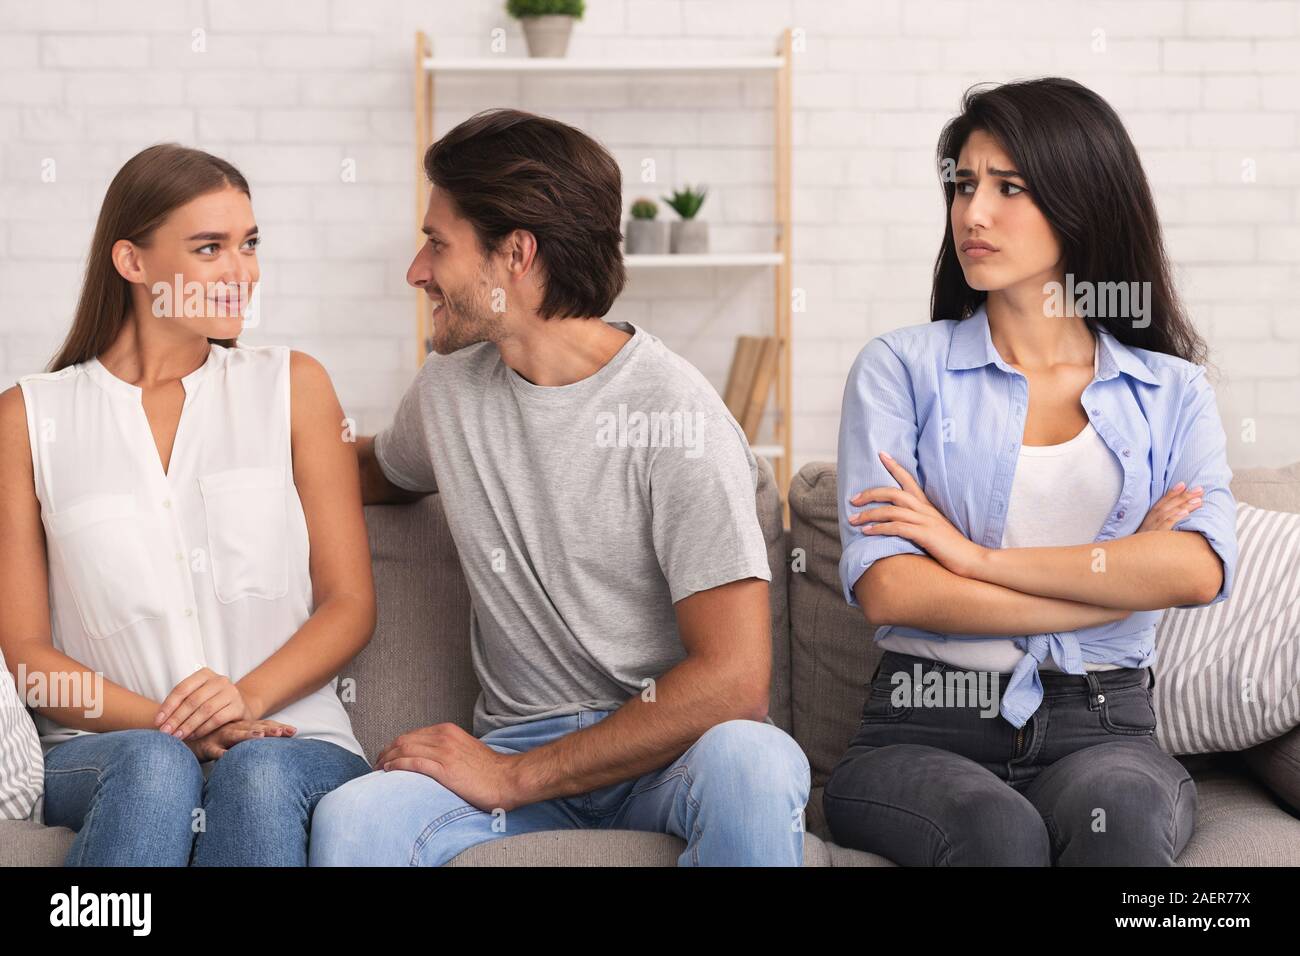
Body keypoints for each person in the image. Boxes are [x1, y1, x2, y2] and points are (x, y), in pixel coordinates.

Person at [309, 109, 810, 867]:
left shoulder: (676, 417)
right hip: (516, 734)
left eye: (437, 243)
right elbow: (368, 471)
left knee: (756, 763)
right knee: (354, 821)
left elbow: (734, 682)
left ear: (515, 254)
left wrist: (513, 776)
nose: (416, 270)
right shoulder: (450, 388)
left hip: (669, 751)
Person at [824, 78, 1238, 866]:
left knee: (1118, 813)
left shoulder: (1172, 390)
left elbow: (1193, 568)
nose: (973, 213)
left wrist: (973, 558)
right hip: (926, 723)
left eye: (1009, 187)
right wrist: (1113, 584)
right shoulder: (899, 370)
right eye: (965, 186)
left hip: (1105, 726)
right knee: (995, 833)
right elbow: (893, 587)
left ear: (1080, 200)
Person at [0, 144, 375, 866]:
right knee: (153, 765)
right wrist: (173, 727)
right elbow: (26, 654)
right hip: (106, 752)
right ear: (132, 263)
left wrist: (240, 703)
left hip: (289, 742)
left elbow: (349, 602)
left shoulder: (294, 389)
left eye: (250, 244)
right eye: (211, 248)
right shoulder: (28, 421)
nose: (244, 271)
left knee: (256, 774)